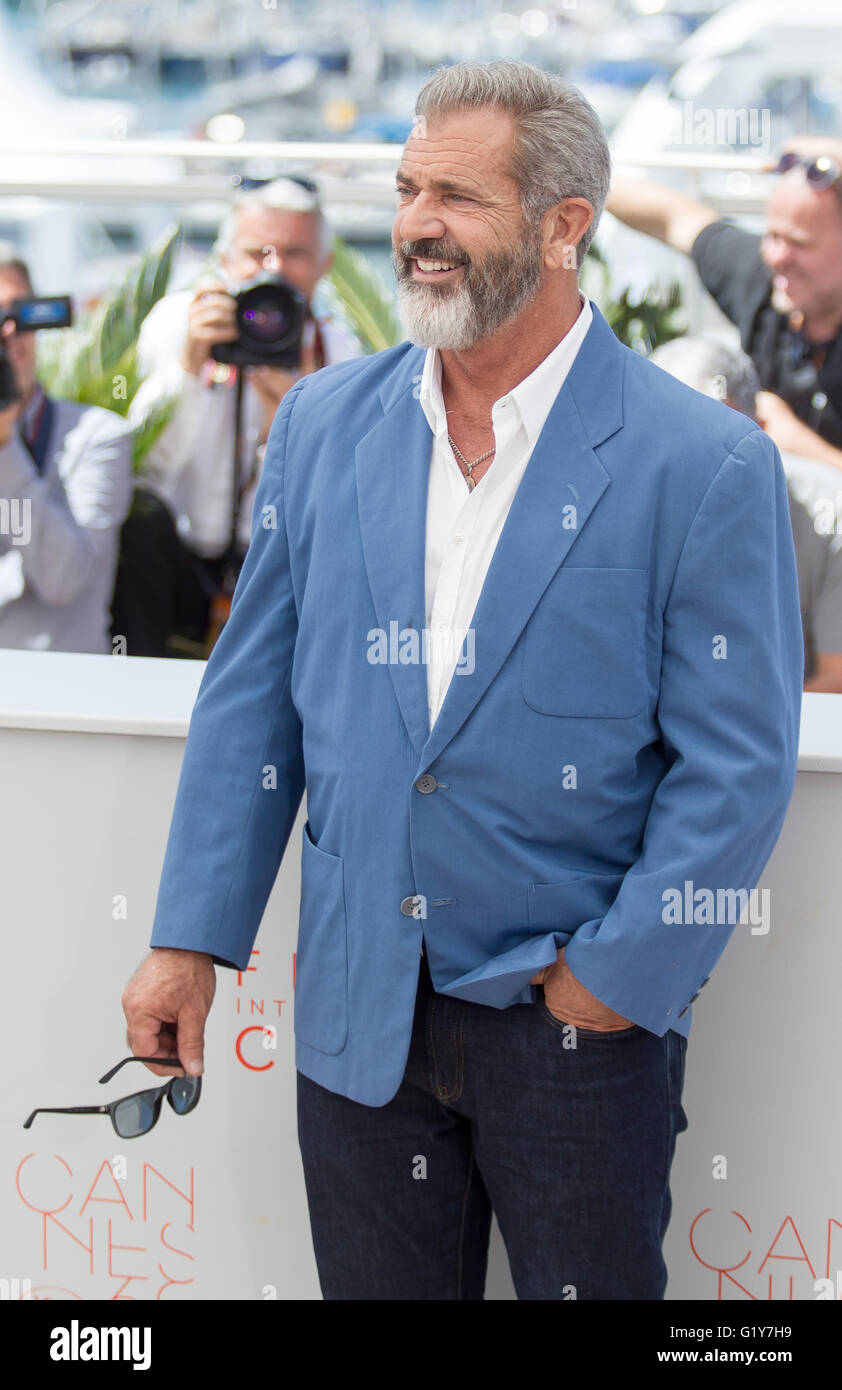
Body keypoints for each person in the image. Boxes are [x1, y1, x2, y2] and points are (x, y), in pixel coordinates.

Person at [122, 61, 803, 1300]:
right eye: (405, 189)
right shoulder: (324, 423)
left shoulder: (702, 466)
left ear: (561, 227)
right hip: (355, 1021)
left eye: (457, 196)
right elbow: (249, 701)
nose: (416, 225)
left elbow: (739, 767)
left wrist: (610, 987)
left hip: (574, 1037)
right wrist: (187, 941)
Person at [114, 177, 361, 655]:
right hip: (174, 556)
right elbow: (146, 467)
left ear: (324, 265)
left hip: (268, 559)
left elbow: (334, 495)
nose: (274, 269)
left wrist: (291, 416)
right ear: (225, 260)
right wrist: (189, 368)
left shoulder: (335, 349)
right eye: (256, 253)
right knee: (141, 524)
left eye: (295, 254)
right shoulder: (179, 322)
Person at [606, 136, 842, 471]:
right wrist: (572, 172)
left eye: (799, 243)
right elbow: (672, 217)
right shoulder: (763, 281)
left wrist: (802, 448)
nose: (776, 257)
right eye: (772, 235)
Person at [651, 333, 842, 693]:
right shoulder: (621, 511)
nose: (699, 461)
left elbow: (837, 680)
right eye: (675, 437)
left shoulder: (832, 513)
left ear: (761, 432)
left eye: (718, 439)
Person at [0, 247, 133, 653]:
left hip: (56, 698)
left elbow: (63, 582)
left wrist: (5, 446)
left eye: (15, 315)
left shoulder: (96, 436)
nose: (5, 335)